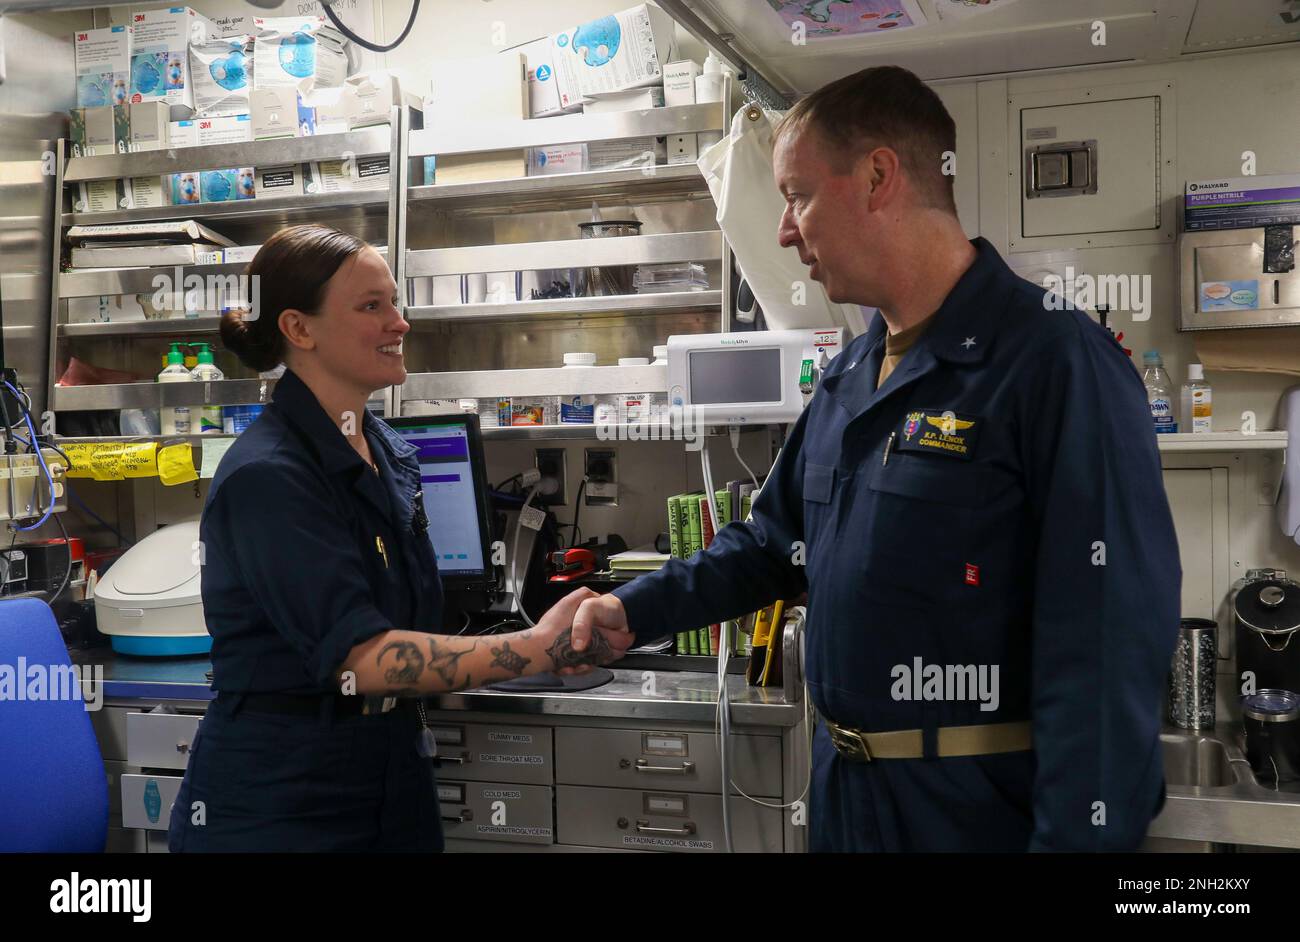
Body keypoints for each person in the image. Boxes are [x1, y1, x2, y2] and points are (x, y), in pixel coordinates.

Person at [572, 66, 1182, 852]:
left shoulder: (1055, 362)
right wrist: (632, 611)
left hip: (967, 818)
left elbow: (1107, 649)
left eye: (796, 195)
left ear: (878, 177)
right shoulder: (852, 373)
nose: (786, 231)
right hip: (846, 803)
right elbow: (768, 544)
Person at [168, 224, 633, 852]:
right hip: (283, 801)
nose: (400, 323)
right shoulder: (269, 477)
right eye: (371, 306)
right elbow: (362, 659)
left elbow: (409, 615)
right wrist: (535, 648)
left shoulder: (386, 450)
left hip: (391, 774)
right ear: (298, 329)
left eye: (395, 301)